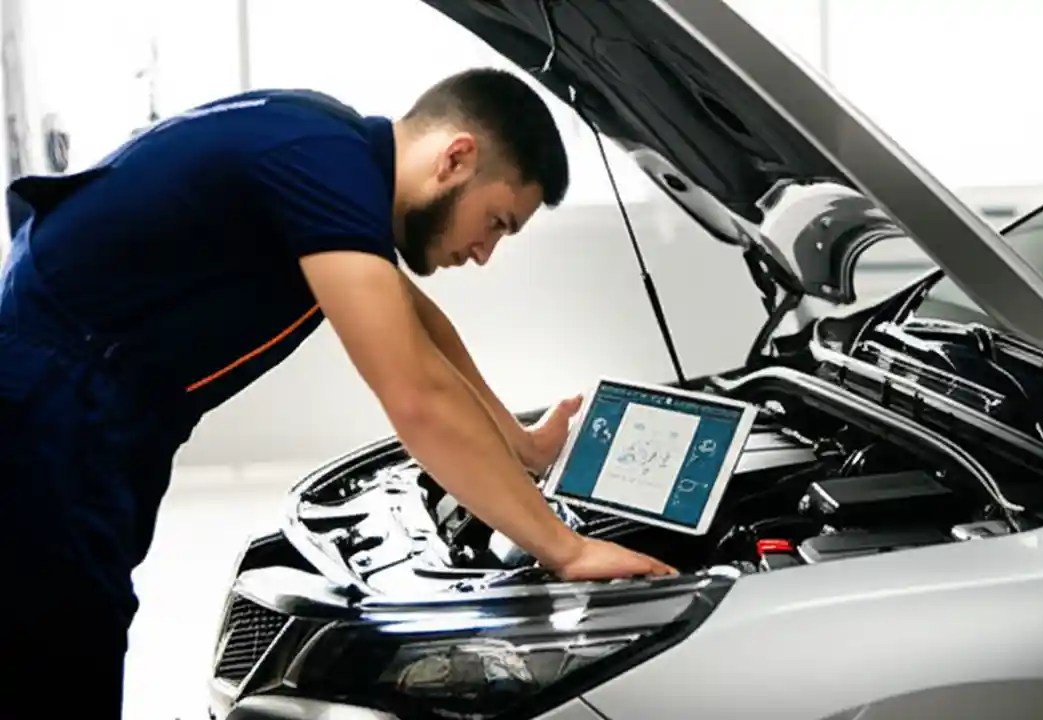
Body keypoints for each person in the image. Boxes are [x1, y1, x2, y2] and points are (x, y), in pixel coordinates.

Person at [0, 68, 674, 717]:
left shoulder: (333, 154)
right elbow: (416, 395)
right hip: (52, 400)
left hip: (81, 397)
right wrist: (566, 550)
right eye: (497, 222)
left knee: (61, 635)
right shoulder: (322, 163)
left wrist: (520, 445)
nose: (484, 253)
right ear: (456, 158)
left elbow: (422, 329)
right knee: (61, 648)